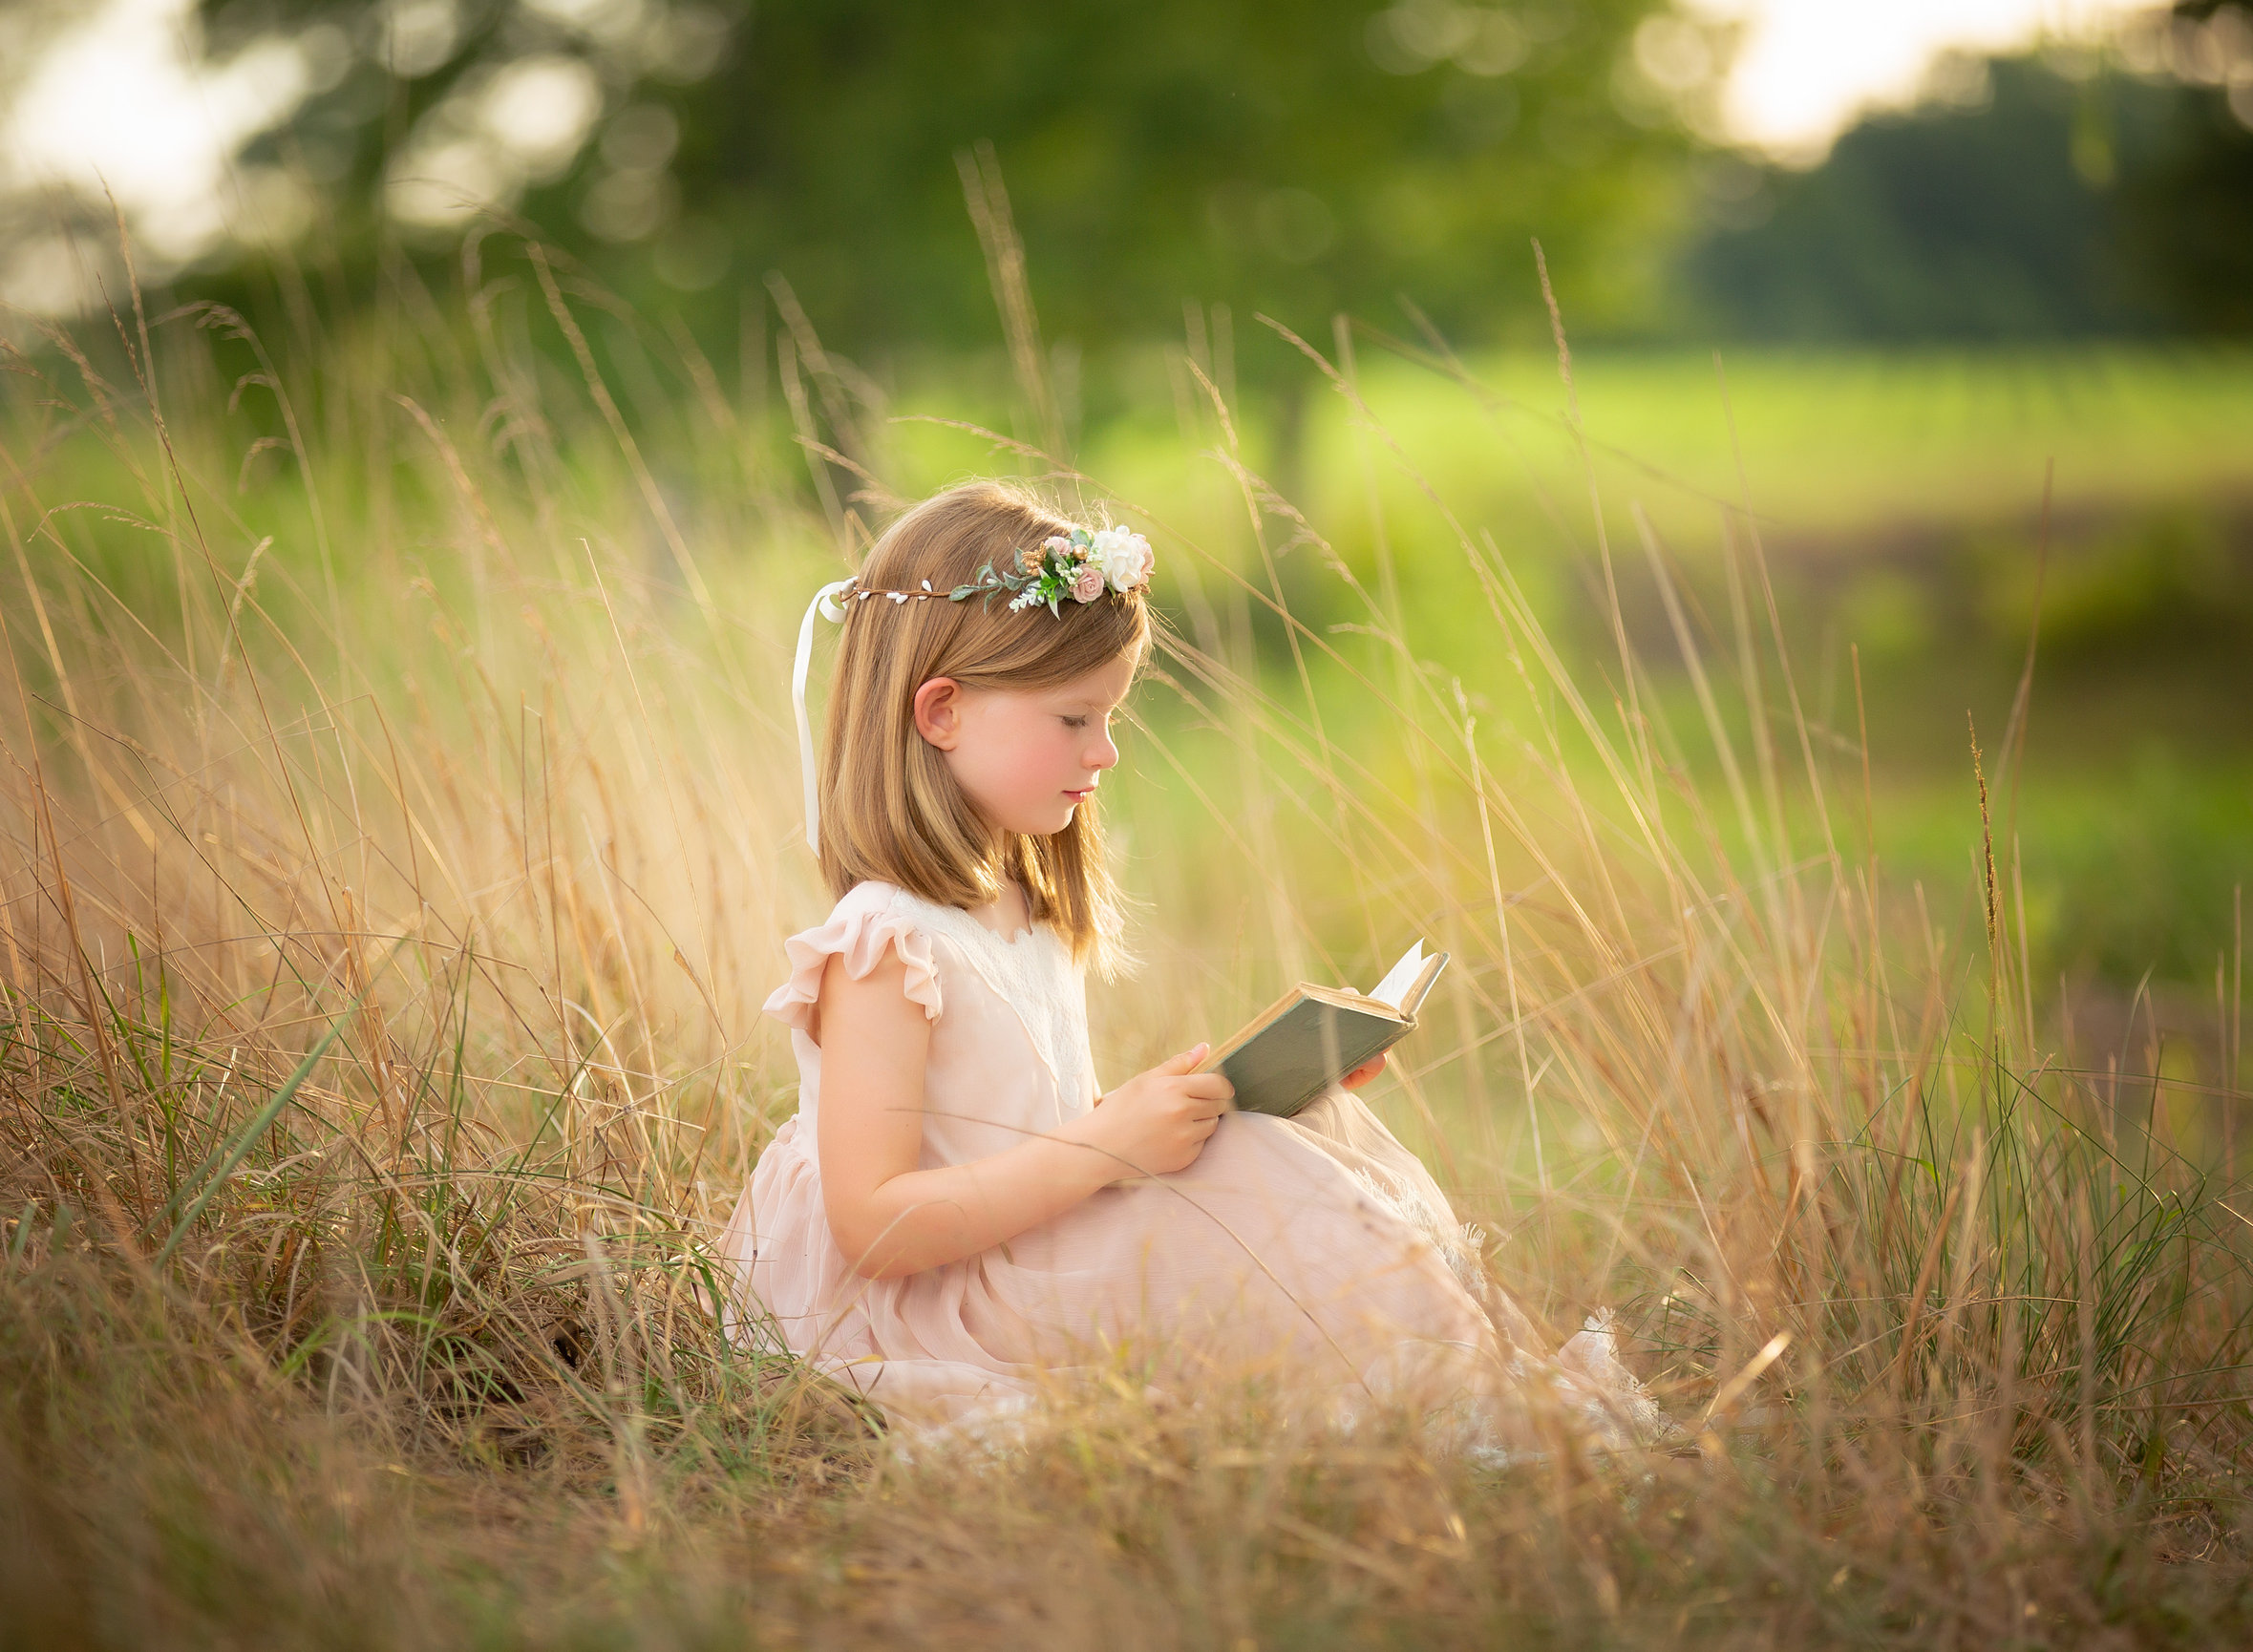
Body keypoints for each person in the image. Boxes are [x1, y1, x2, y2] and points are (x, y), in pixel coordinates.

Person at [718, 480, 1665, 1446]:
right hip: (933, 1294)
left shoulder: (1022, 905)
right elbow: (874, 1225)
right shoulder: (885, 941)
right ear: (942, 712)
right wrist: (1108, 1145)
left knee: (1304, 1118)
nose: (1107, 751)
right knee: (1241, 1166)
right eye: (1073, 719)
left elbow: (1013, 1135)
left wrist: (1241, 1085)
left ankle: (1487, 1372)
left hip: (1013, 1237)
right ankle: (1456, 1409)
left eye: (1110, 716)